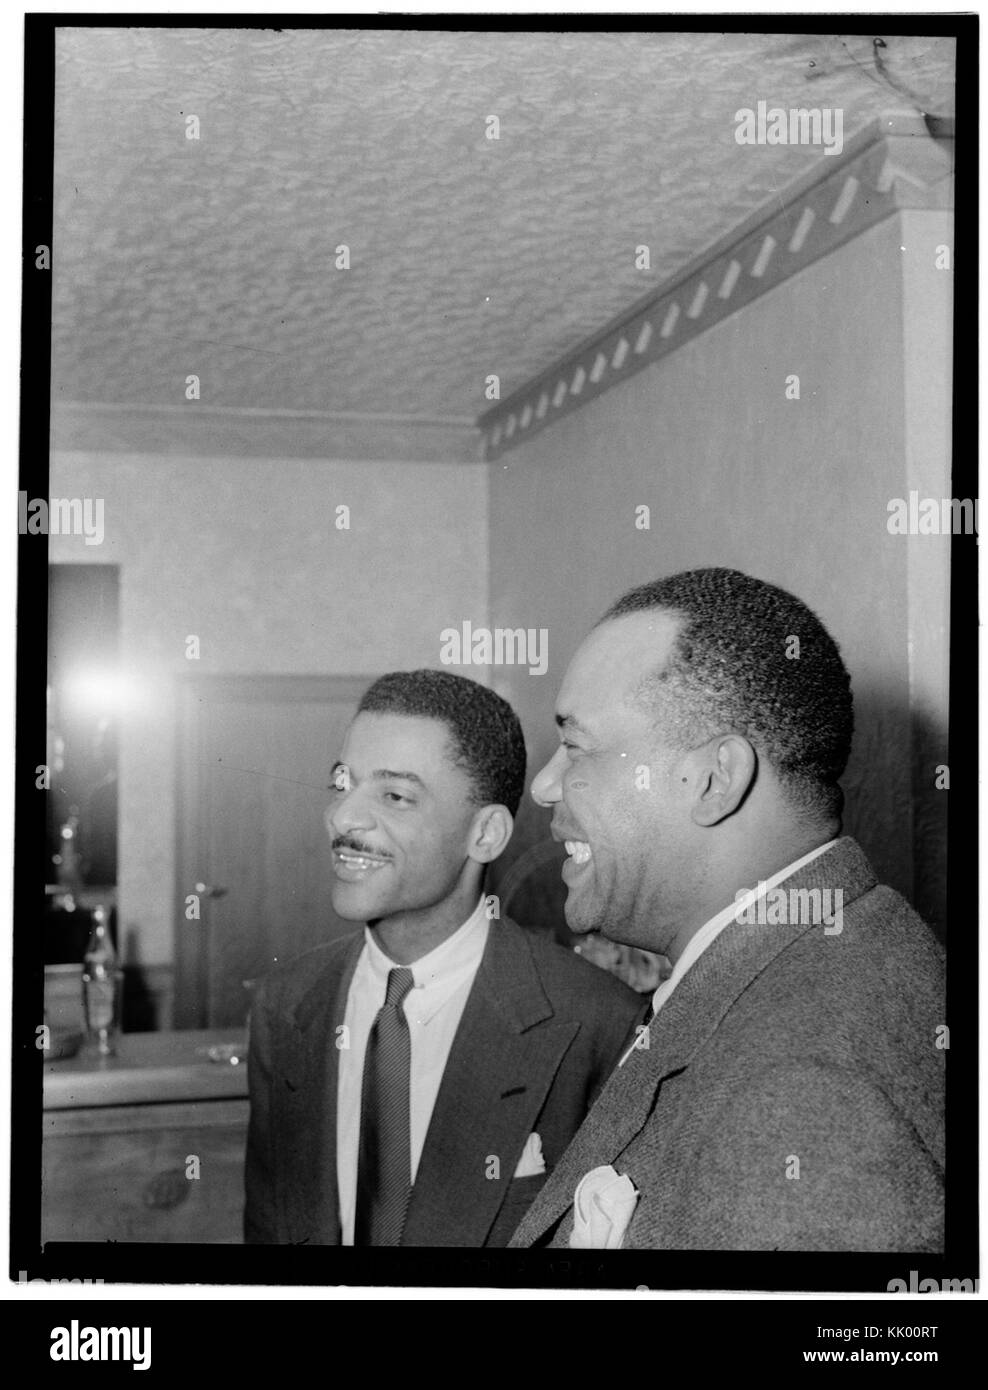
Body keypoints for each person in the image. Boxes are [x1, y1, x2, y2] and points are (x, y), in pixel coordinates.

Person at [509, 568, 945, 1252]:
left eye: (575, 746)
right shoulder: (825, 957)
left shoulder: (804, 1100)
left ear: (714, 780)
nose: (543, 786)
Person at [244, 669, 643, 1247]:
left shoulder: (598, 1023)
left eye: (395, 796)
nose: (342, 818)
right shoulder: (285, 1005)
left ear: (484, 835)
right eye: (341, 782)